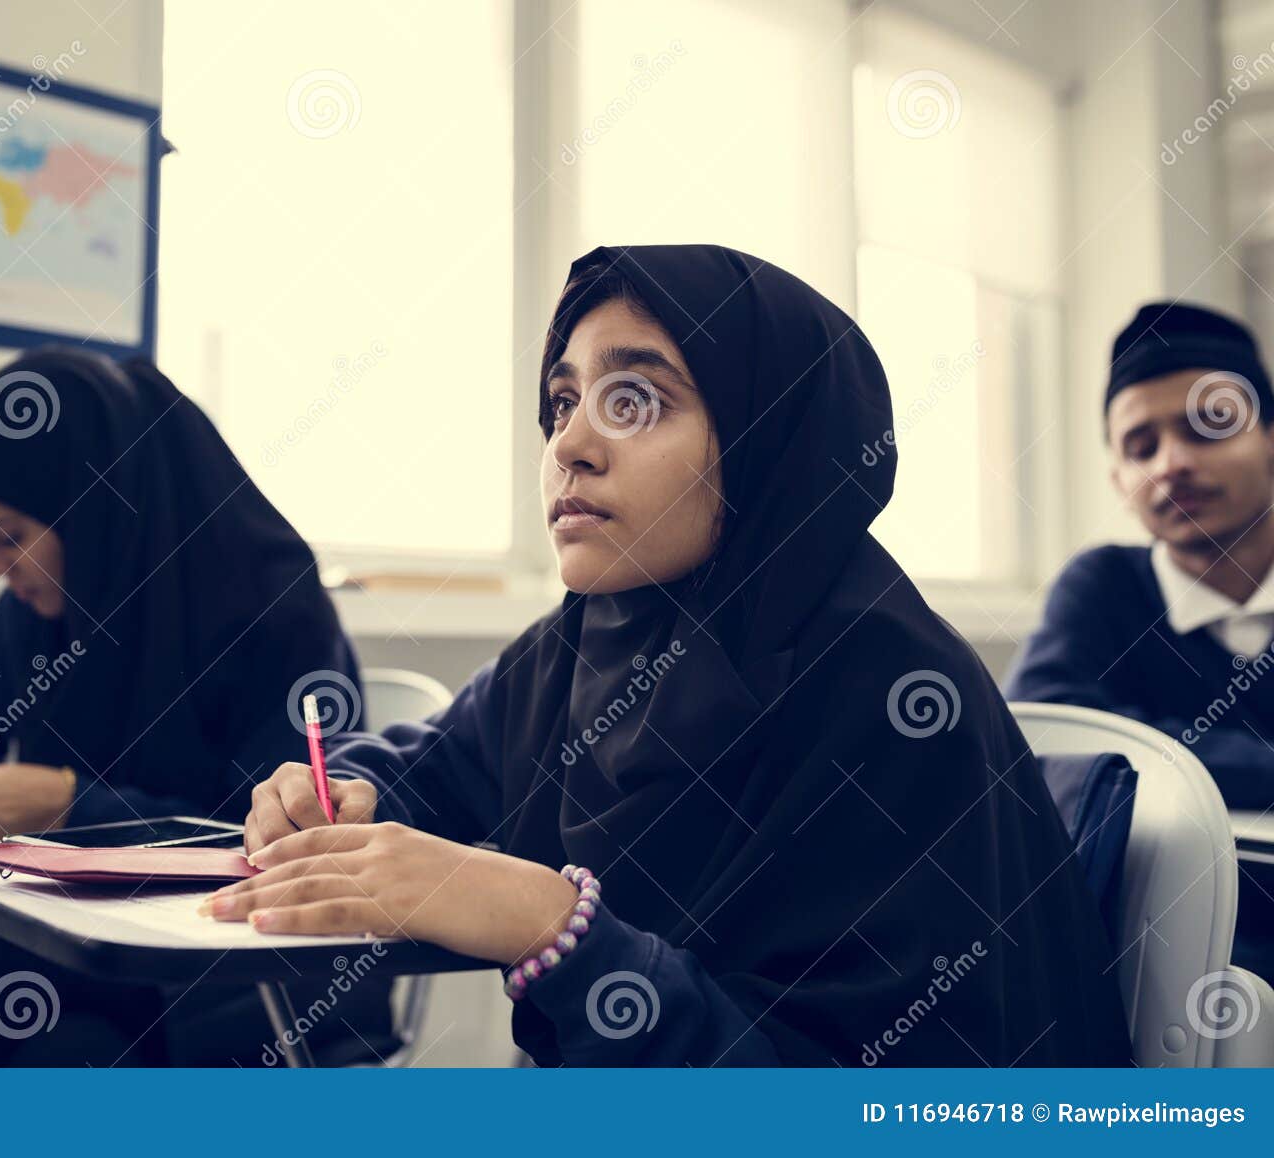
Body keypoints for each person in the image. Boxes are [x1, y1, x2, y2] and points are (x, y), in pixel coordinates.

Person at [207, 244, 1134, 1066]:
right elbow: (432, 767)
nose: (569, 443)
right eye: (562, 401)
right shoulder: (574, 651)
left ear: (769, 436)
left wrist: (552, 926)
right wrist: (341, 793)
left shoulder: (885, 689)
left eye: (635, 400)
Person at [0, 347, 389, 1065]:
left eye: (8, 537)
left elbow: (276, 844)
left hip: (227, 983)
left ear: (95, 511)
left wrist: (69, 806)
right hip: (79, 945)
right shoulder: (61, 601)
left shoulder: (274, 612)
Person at [1005, 301, 1274, 979]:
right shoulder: (1103, 587)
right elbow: (1050, 734)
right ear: (1119, 482)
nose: (1172, 463)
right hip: (1165, 938)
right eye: (1140, 446)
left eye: (1209, 426)